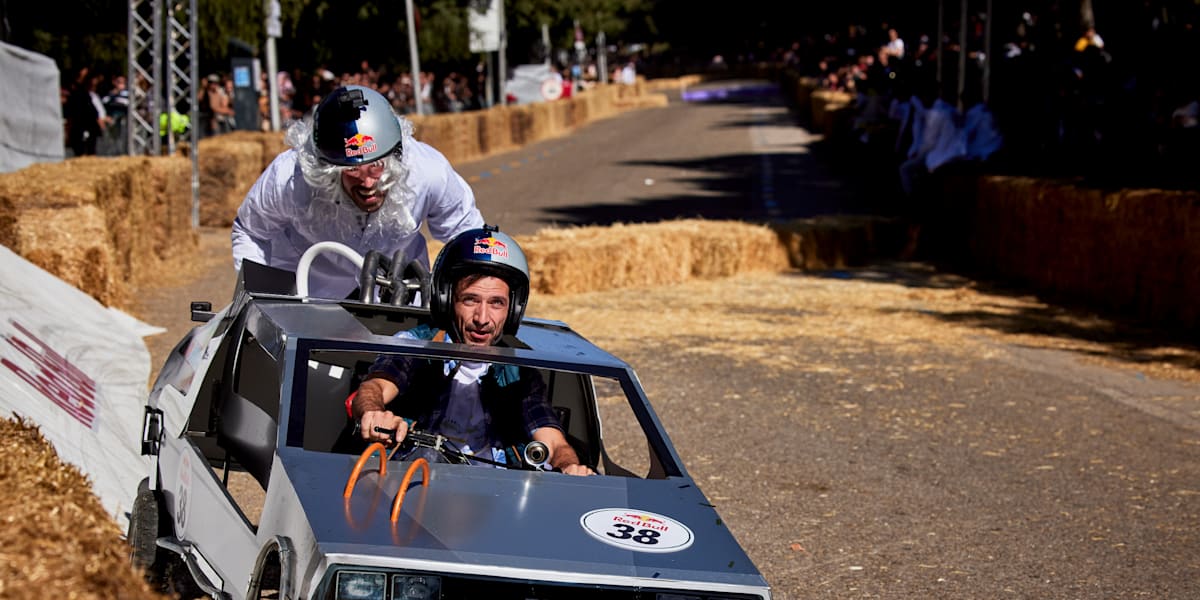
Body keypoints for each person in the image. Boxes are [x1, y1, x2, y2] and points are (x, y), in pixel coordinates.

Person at [349, 226, 595, 476]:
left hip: (494, 491)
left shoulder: (519, 370)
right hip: (416, 481)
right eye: (470, 300)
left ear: (513, 310)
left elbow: (553, 441)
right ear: (446, 299)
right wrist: (374, 414)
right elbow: (375, 387)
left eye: (496, 303)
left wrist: (568, 466)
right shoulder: (416, 345)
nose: (482, 318)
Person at [231, 85, 484, 299]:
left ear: (395, 157)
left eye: (376, 166)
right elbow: (251, 230)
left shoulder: (428, 171)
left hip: (398, 295)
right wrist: (260, 299)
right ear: (327, 169)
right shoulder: (290, 178)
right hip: (307, 295)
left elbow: (468, 236)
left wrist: (461, 297)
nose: (368, 183)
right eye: (352, 171)